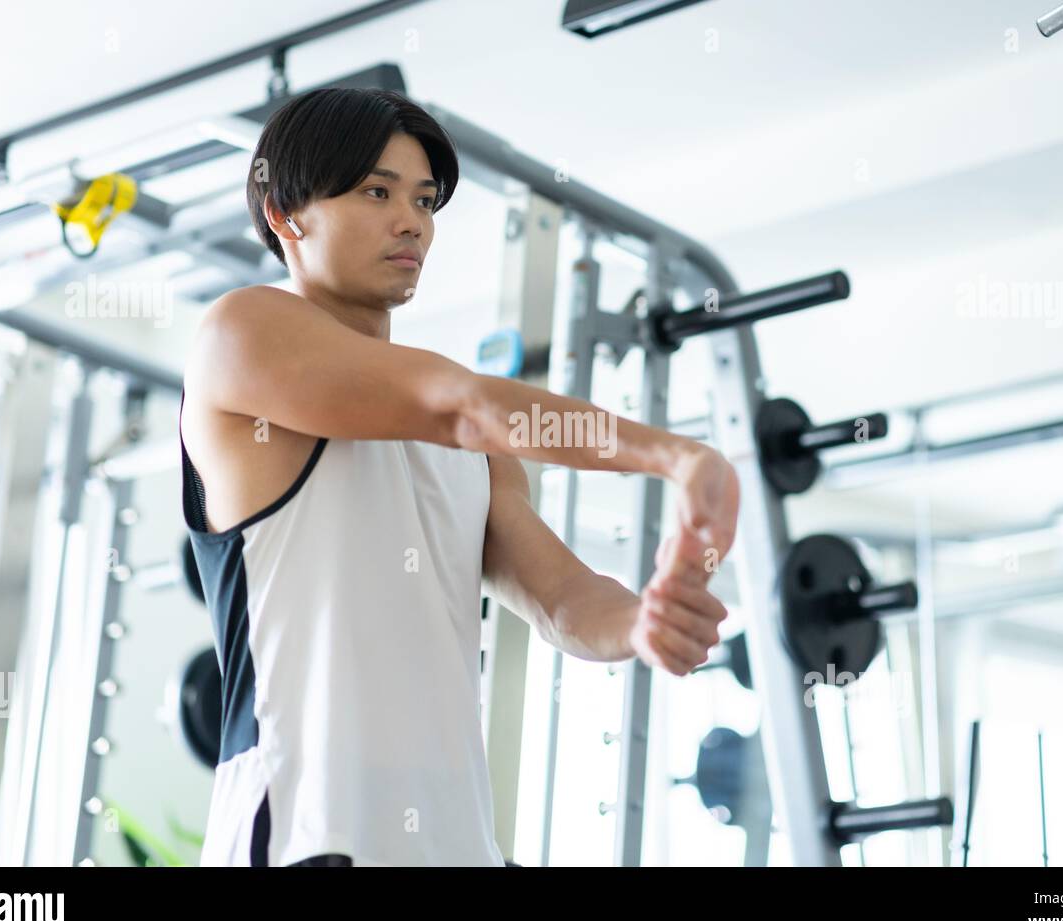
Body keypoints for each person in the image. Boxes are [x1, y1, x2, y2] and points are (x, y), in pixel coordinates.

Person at [178, 86, 740, 867]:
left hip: (455, 844)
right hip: (307, 831)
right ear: (285, 213)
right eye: (377, 191)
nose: (412, 221)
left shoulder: (471, 434)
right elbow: (460, 405)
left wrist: (640, 624)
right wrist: (671, 455)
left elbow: (562, 598)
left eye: (425, 199)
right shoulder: (240, 331)